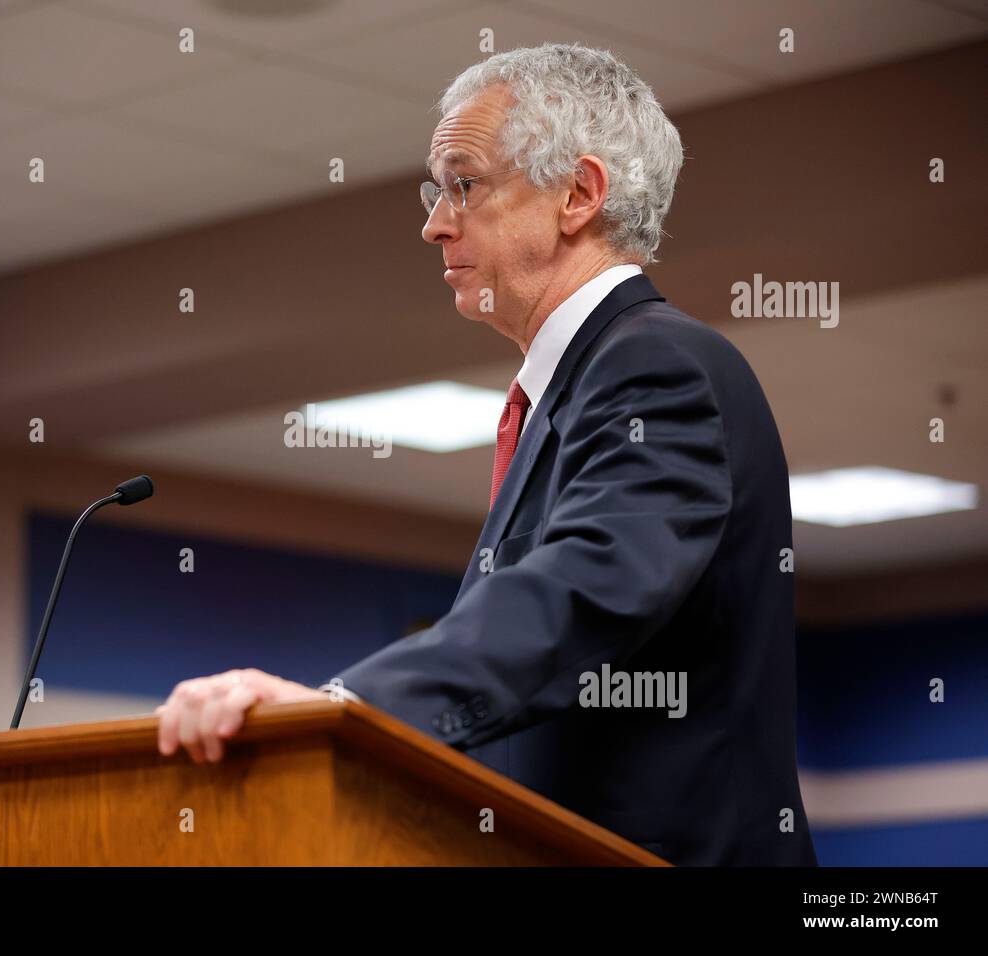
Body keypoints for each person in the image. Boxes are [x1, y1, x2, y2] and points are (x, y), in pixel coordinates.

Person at [155, 42, 816, 866]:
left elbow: (583, 594)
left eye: (463, 184)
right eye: (437, 192)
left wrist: (346, 712)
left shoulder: (654, 363)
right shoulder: (576, 386)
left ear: (579, 193)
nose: (434, 221)